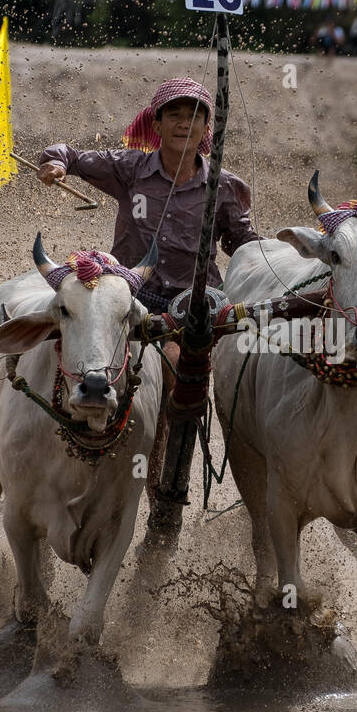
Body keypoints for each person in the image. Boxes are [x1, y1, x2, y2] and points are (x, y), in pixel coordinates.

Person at [35, 78, 259, 525]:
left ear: (206, 129)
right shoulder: (131, 169)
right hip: (129, 294)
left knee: (182, 377)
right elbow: (70, 154)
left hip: (196, 304)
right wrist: (54, 165)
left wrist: (275, 264)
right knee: (67, 349)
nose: (184, 123)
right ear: (155, 123)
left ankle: (165, 495)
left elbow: (246, 246)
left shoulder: (227, 186)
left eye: (194, 116)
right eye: (174, 114)